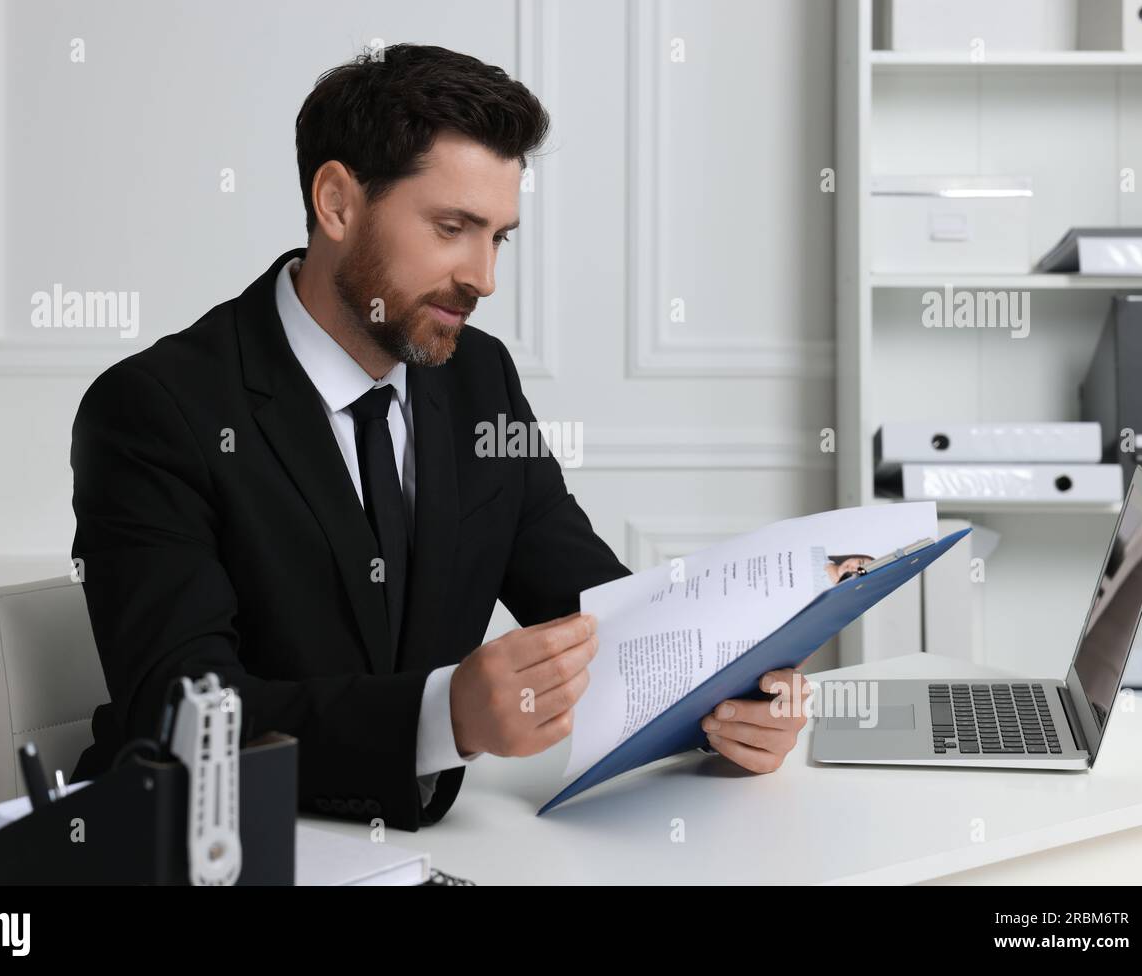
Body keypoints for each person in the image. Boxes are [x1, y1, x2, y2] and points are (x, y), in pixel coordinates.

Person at [69, 44, 809, 830]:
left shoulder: (476, 378)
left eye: (499, 238)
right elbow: (184, 711)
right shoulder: (154, 409)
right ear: (336, 202)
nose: (483, 277)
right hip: (215, 846)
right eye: (452, 227)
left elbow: (593, 608)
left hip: (437, 851)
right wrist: (442, 718)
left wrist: (728, 698)